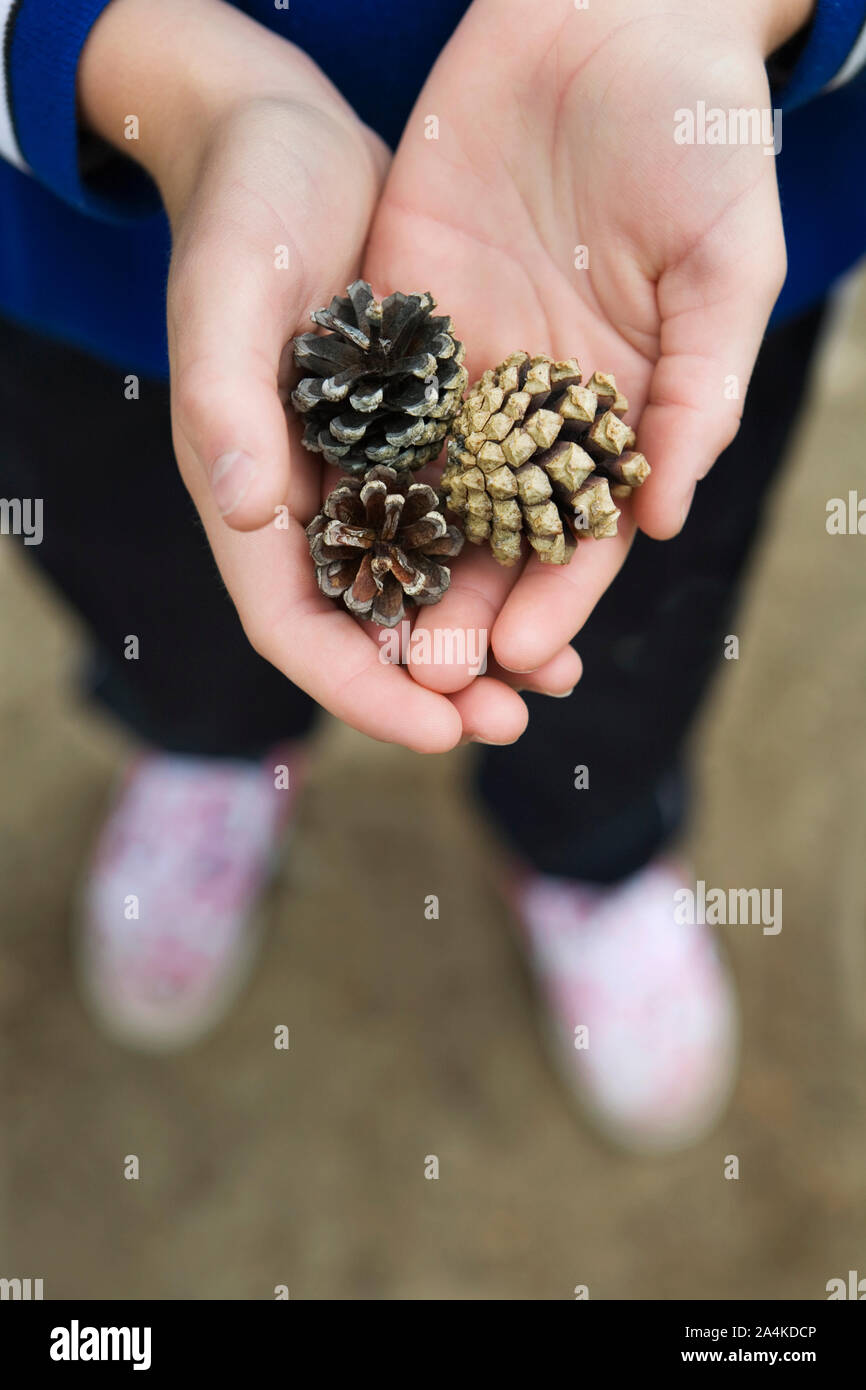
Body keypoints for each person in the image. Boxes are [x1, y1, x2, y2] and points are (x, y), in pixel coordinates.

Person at [1, 0, 863, 1151]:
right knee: (165, 587)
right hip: (95, 255)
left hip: (657, 233)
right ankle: (207, 753)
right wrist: (132, 62)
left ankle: (589, 847)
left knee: (627, 637)